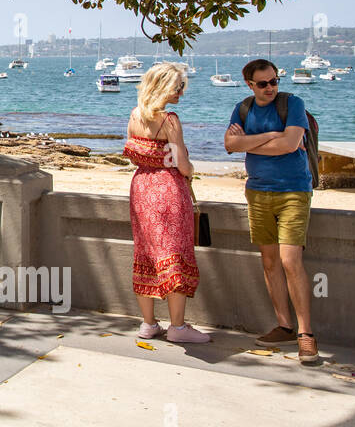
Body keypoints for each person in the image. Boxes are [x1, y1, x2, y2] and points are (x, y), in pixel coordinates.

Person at [224, 59, 318, 365]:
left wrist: (250, 143)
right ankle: (284, 325)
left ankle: (306, 335)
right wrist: (270, 137)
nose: (270, 88)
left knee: (291, 260)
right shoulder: (243, 109)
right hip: (258, 191)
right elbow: (229, 144)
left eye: (274, 81)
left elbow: (291, 144)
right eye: (263, 84)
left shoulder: (293, 103)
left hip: (293, 191)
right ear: (250, 84)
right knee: (269, 261)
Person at [123, 63, 209, 343]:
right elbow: (182, 166)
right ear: (162, 88)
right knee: (174, 252)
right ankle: (178, 327)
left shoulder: (135, 115)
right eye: (178, 87)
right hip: (168, 190)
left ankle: (148, 324)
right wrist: (191, 167)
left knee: (146, 252)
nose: (181, 93)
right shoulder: (169, 120)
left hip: (141, 188)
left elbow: (134, 154)